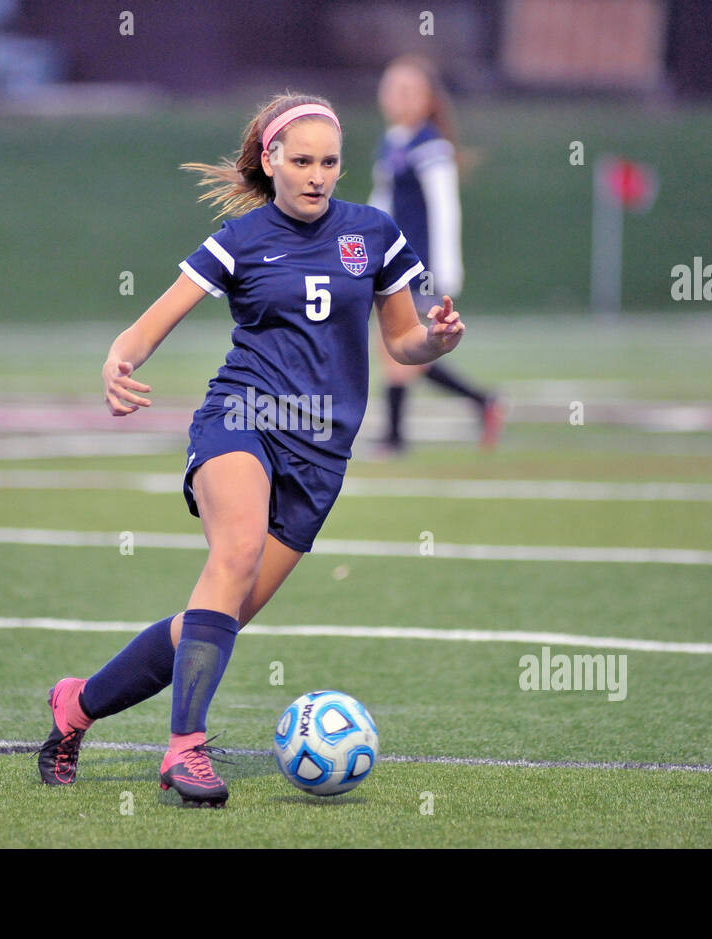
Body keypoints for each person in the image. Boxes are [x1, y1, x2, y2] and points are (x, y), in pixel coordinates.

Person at [38, 92, 466, 807]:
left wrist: (437, 339)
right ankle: (185, 749)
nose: (317, 174)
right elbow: (150, 324)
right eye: (301, 160)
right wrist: (119, 361)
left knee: (215, 617)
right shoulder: (240, 240)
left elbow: (402, 339)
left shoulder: (375, 233)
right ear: (270, 161)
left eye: (329, 161)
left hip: (321, 456)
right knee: (231, 556)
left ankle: (77, 704)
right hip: (241, 415)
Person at [368, 54, 502, 453]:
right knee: (404, 350)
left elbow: (445, 208)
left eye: (408, 90)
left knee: (398, 346)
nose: (397, 97)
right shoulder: (391, 142)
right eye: (392, 88)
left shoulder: (431, 145)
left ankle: (393, 438)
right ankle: (484, 402)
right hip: (389, 264)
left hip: (417, 265)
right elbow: (380, 205)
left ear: (428, 100)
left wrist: (445, 269)